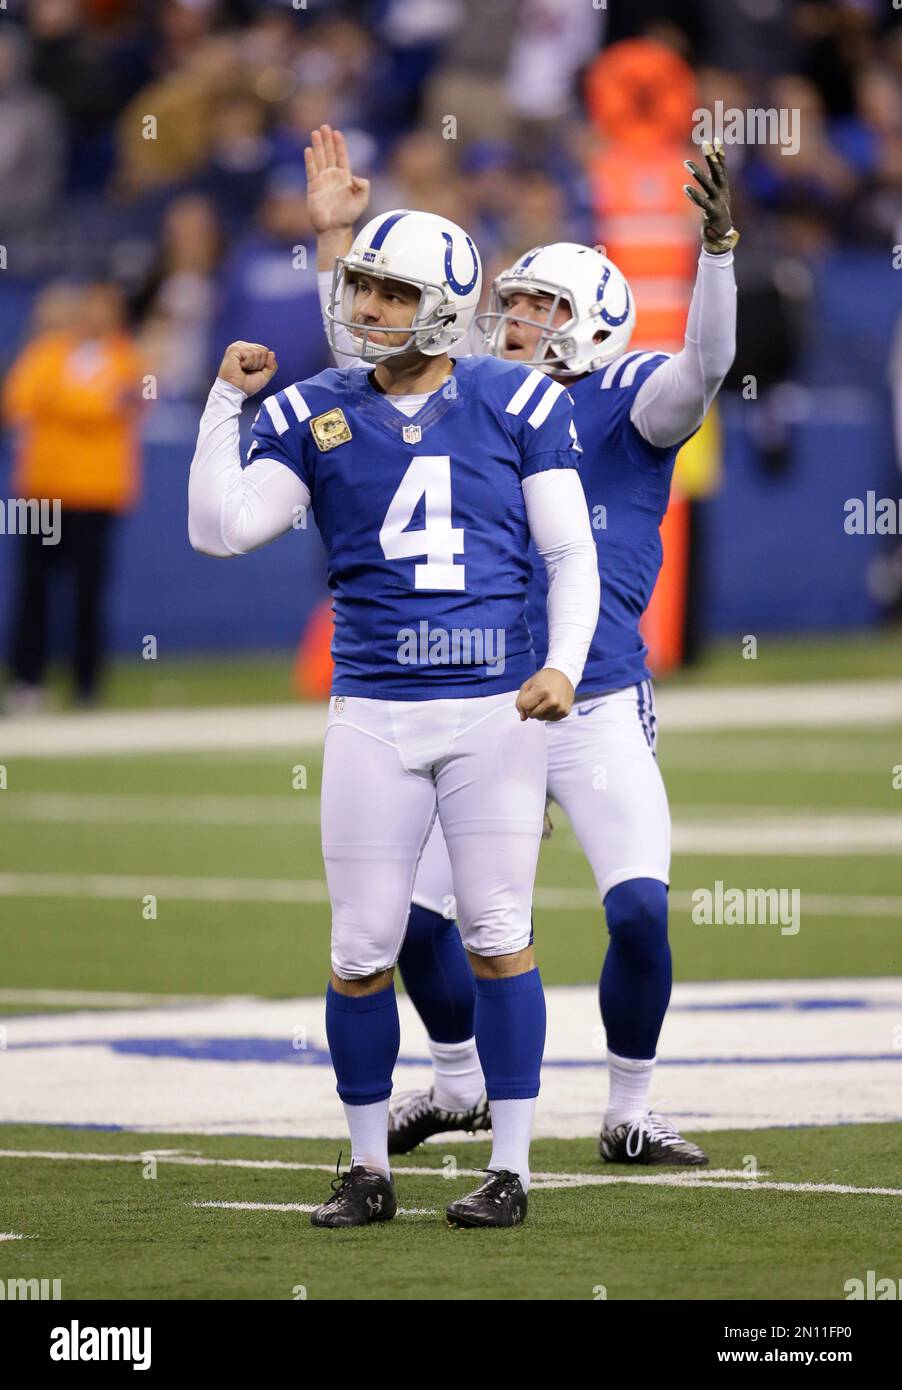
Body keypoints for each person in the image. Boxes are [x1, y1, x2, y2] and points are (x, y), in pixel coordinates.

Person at [307, 125, 738, 1164]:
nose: (522, 320)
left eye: (547, 305)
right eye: (516, 302)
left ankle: (627, 1108)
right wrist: (335, 242)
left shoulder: (628, 399)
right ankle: (458, 1083)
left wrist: (716, 252)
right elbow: (359, 362)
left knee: (636, 910)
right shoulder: (466, 396)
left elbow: (708, 363)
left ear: (592, 323)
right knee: (411, 923)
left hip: (590, 701)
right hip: (481, 700)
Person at [188, 146, 600, 1229]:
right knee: (360, 946)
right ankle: (369, 1165)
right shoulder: (315, 407)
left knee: (496, 931)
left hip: (491, 708)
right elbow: (220, 528)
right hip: (371, 708)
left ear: (445, 308)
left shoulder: (514, 399)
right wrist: (219, 409)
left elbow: (569, 556)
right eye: (359, 285)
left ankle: (511, 1166)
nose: (366, 306)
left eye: (391, 292)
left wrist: (561, 663)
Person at [3, 282, 145, 712]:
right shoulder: (47, 352)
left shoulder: (128, 358)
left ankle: (87, 686)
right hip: (43, 491)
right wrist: (87, 405)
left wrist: (65, 404)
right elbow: (18, 403)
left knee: (89, 594)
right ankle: (27, 682)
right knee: (33, 590)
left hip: (97, 493)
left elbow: (127, 402)